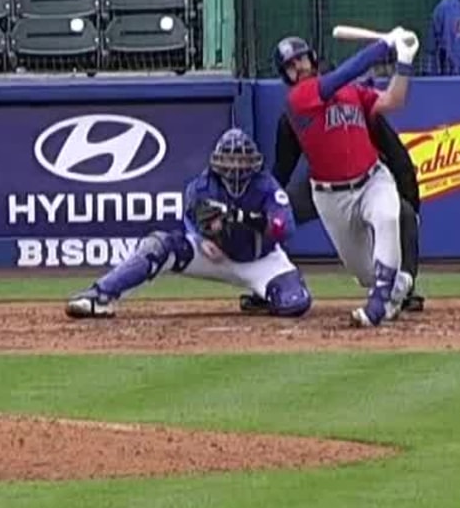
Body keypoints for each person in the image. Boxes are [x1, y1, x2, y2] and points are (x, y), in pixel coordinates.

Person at [65, 127, 312, 320]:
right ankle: (101, 294)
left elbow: (285, 227)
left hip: (260, 258)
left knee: (295, 304)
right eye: (230, 161)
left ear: (254, 162)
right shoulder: (203, 186)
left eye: (241, 161)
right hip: (215, 255)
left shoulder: (266, 186)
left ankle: (263, 295)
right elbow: (190, 217)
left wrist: (249, 219)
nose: (235, 168)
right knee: (158, 246)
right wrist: (202, 239)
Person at [280, 28, 415, 328]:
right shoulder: (298, 100)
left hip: (371, 180)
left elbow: (393, 100)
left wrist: (404, 62)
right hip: (331, 196)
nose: (298, 68)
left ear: (313, 60)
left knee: (387, 216)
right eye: (290, 65)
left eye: (301, 60)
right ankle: (397, 284)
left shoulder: (352, 92)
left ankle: (378, 305)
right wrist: (383, 46)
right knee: (365, 272)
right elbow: (345, 73)